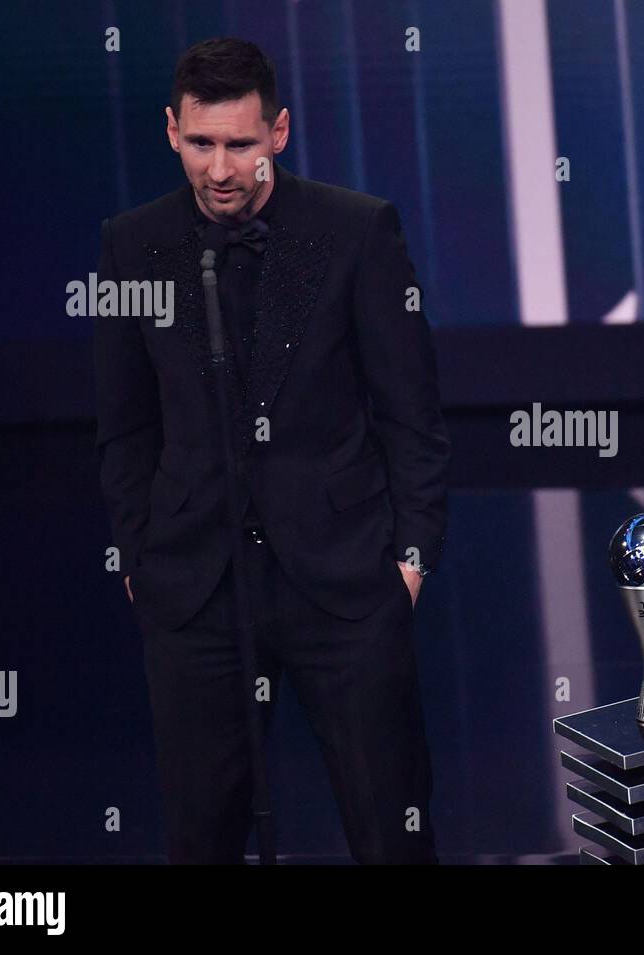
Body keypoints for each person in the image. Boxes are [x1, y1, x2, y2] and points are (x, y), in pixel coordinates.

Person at [93, 37, 449, 864]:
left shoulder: (357, 232)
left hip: (348, 581)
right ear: (172, 131)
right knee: (201, 838)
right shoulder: (130, 245)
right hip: (194, 586)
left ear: (280, 133)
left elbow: (412, 415)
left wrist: (412, 559)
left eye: (242, 144)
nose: (221, 169)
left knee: (391, 829)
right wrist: (138, 552)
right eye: (203, 143)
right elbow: (122, 425)